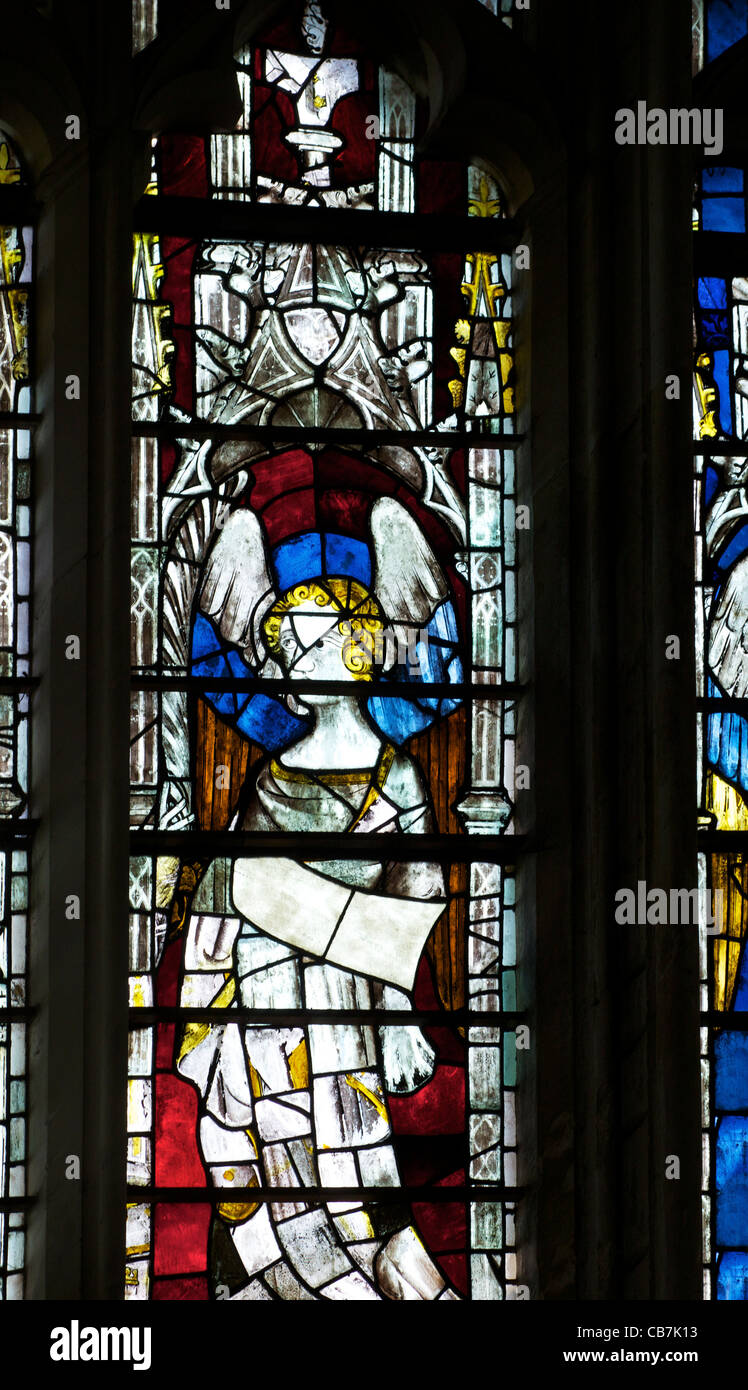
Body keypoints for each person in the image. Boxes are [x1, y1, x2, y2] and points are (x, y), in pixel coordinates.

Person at [175, 576, 461, 1300]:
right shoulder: (269, 780)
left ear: (358, 646)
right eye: (284, 644)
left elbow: (412, 907)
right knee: (252, 1175)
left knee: (357, 1192)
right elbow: (225, 897)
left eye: (308, 638)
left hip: (350, 1020)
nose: (289, 658)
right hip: (259, 1019)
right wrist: (211, 1009)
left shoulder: (397, 780)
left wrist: (398, 1022)